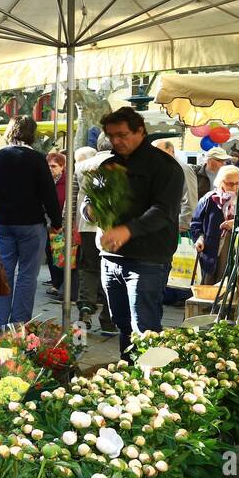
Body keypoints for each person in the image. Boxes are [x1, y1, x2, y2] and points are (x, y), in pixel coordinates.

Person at [81, 107, 182, 359]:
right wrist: (89, 210)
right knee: (122, 324)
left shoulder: (165, 166)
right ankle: (128, 375)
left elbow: (163, 211)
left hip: (148, 259)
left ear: (140, 131)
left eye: (123, 135)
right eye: (111, 135)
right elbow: (89, 200)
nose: (116, 141)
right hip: (110, 258)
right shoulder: (107, 164)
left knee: (145, 328)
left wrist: (128, 230)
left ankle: (151, 383)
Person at [0, 116, 62, 330]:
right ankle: (19, 323)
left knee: (4, 273)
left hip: (5, 222)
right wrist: (56, 221)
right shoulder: (36, 159)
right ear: (32, 134)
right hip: (31, 223)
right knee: (27, 275)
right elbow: (48, 193)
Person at [74, 145, 117, 335]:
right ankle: (108, 319)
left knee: (89, 268)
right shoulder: (119, 164)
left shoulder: (82, 165)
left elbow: (73, 198)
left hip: (86, 226)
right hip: (110, 227)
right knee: (112, 271)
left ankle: (85, 308)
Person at [190, 164, 239, 284]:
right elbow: (196, 223)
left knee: (226, 283)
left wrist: (236, 224)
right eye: (229, 183)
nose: (233, 187)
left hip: (232, 249)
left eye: (237, 183)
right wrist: (199, 239)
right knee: (207, 282)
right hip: (210, 248)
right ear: (220, 182)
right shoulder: (209, 199)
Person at [153, 139, 198, 234]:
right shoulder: (163, 168)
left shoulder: (183, 168)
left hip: (178, 229)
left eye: (157, 151)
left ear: (170, 150)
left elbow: (190, 199)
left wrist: (182, 226)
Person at [45, 151, 69, 294]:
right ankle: (55, 282)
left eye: (54, 166)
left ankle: (59, 284)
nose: (50, 169)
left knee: (59, 254)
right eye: (48, 166)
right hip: (48, 223)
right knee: (50, 254)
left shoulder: (66, 182)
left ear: (62, 167)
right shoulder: (47, 181)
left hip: (60, 224)